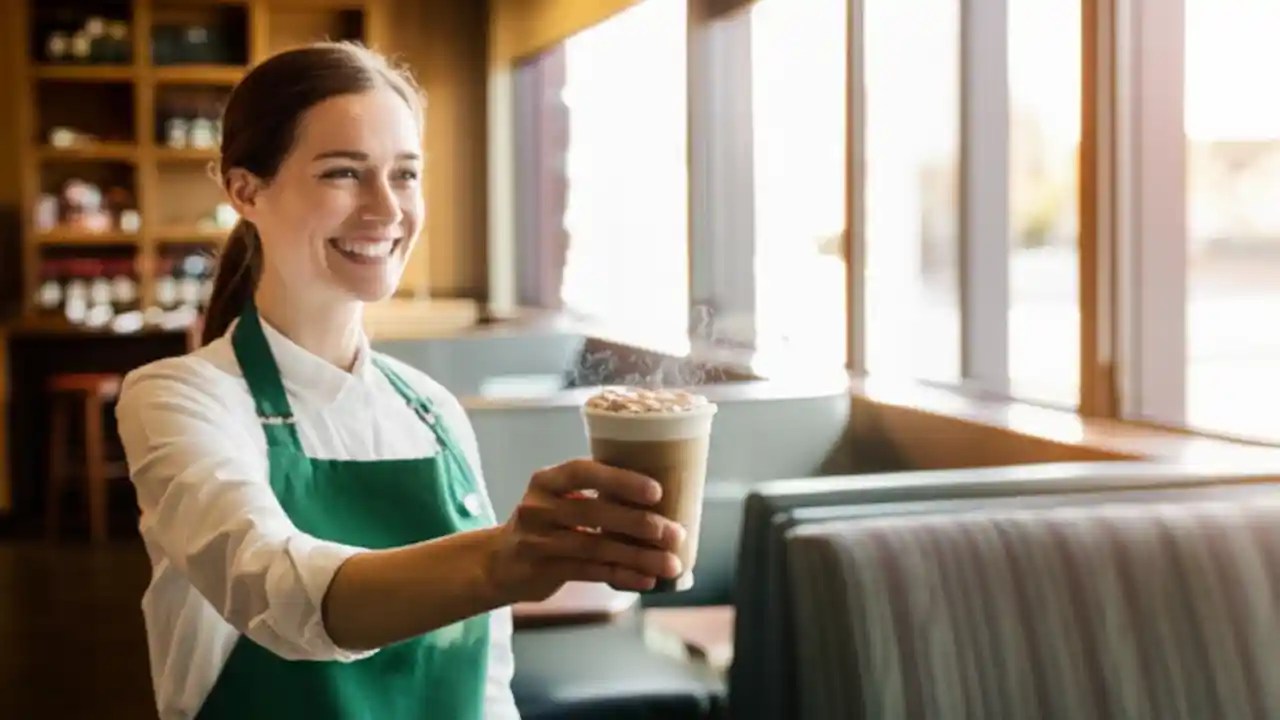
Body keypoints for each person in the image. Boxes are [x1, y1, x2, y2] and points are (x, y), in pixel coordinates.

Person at [115, 42, 685, 720]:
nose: (386, 209)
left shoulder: (433, 411)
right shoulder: (179, 398)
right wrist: (499, 560)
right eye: (343, 174)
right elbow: (272, 589)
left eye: (405, 175)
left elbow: (487, 677)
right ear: (245, 190)